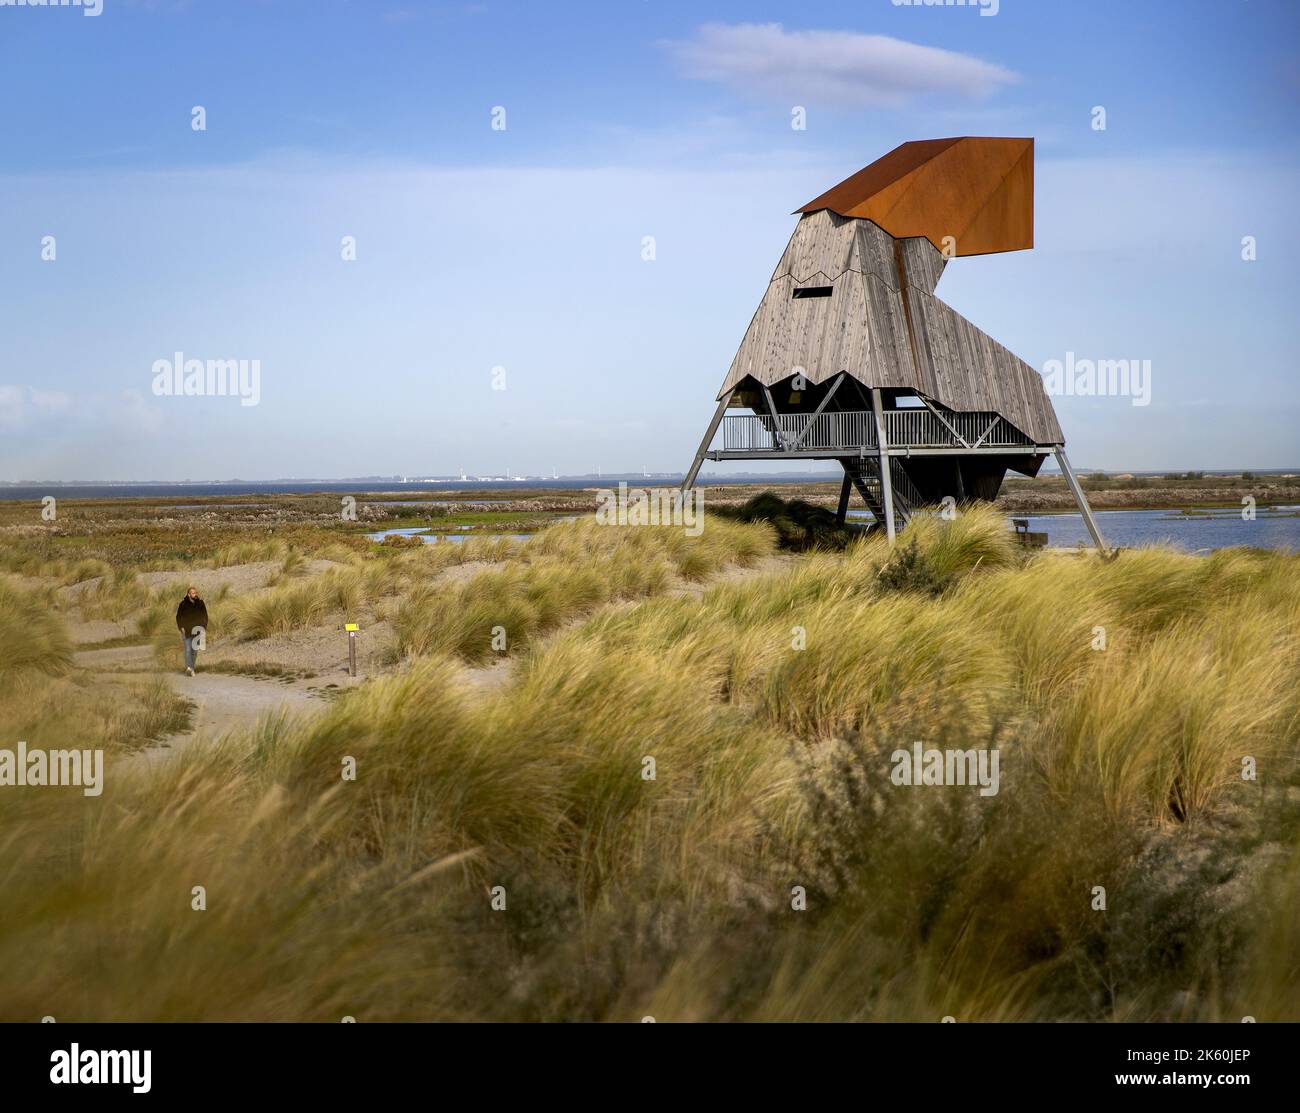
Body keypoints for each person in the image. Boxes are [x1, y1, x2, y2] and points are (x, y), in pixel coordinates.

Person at [175, 585, 209, 677]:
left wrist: (203, 627)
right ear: (188, 594)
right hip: (186, 630)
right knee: (188, 650)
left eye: (196, 593)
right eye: (193, 593)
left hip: (198, 630)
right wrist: (181, 627)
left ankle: (191, 668)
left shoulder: (201, 603)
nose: (195, 594)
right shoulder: (182, 604)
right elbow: (178, 617)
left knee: (195, 651)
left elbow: (205, 616)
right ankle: (189, 668)